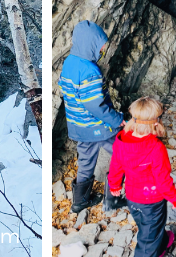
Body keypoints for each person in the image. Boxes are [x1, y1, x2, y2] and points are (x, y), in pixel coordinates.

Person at [58, 20, 124, 214]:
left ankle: (80, 202)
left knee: (86, 162)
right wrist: (117, 119)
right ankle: (112, 199)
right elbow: (96, 106)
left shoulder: (69, 63)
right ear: (90, 44)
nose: (103, 50)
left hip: (80, 128)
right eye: (101, 46)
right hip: (99, 127)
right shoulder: (89, 71)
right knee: (122, 155)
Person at [107, 97, 176, 257]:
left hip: (132, 198)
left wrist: (114, 185)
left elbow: (115, 166)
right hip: (152, 201)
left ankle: (160, 243)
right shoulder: (156, 148)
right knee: (147, 240)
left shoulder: (121, 141)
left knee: (146, 226)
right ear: (156, 123)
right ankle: (153, 247)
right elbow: (163, 180)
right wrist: (174, 197)